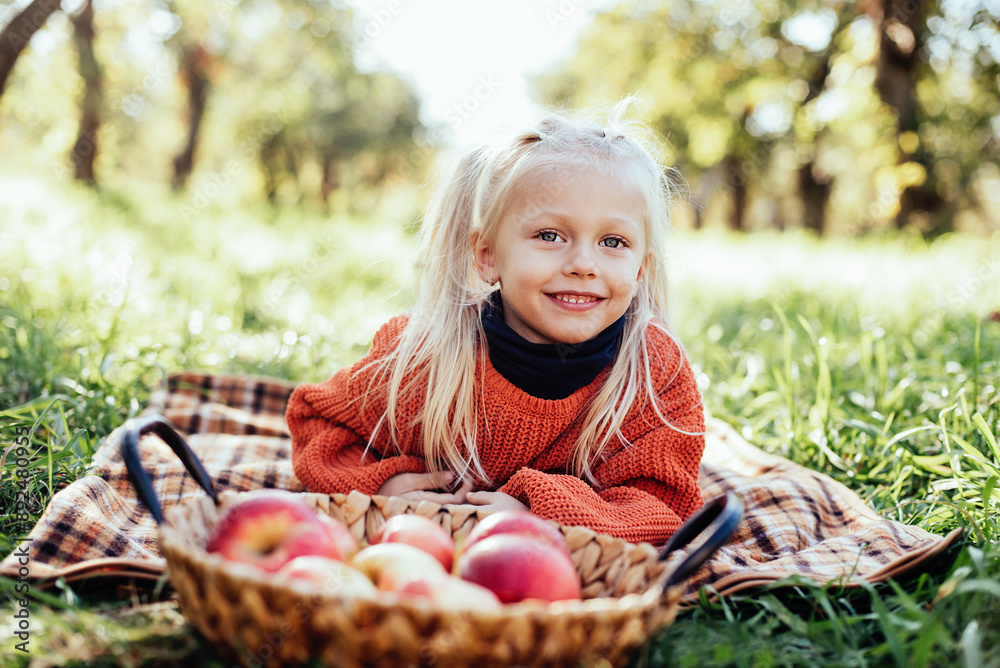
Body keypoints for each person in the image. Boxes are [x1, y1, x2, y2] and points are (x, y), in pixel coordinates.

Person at [286, 98, 706, 544]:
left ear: (641, 268)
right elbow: (319, 425)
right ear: (487, 256)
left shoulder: (654, 376)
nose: (584, 263)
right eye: (550, 235)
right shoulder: (424, 358)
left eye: (613, 241)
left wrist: (542, 510)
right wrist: (381, 485)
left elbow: (665, 506)